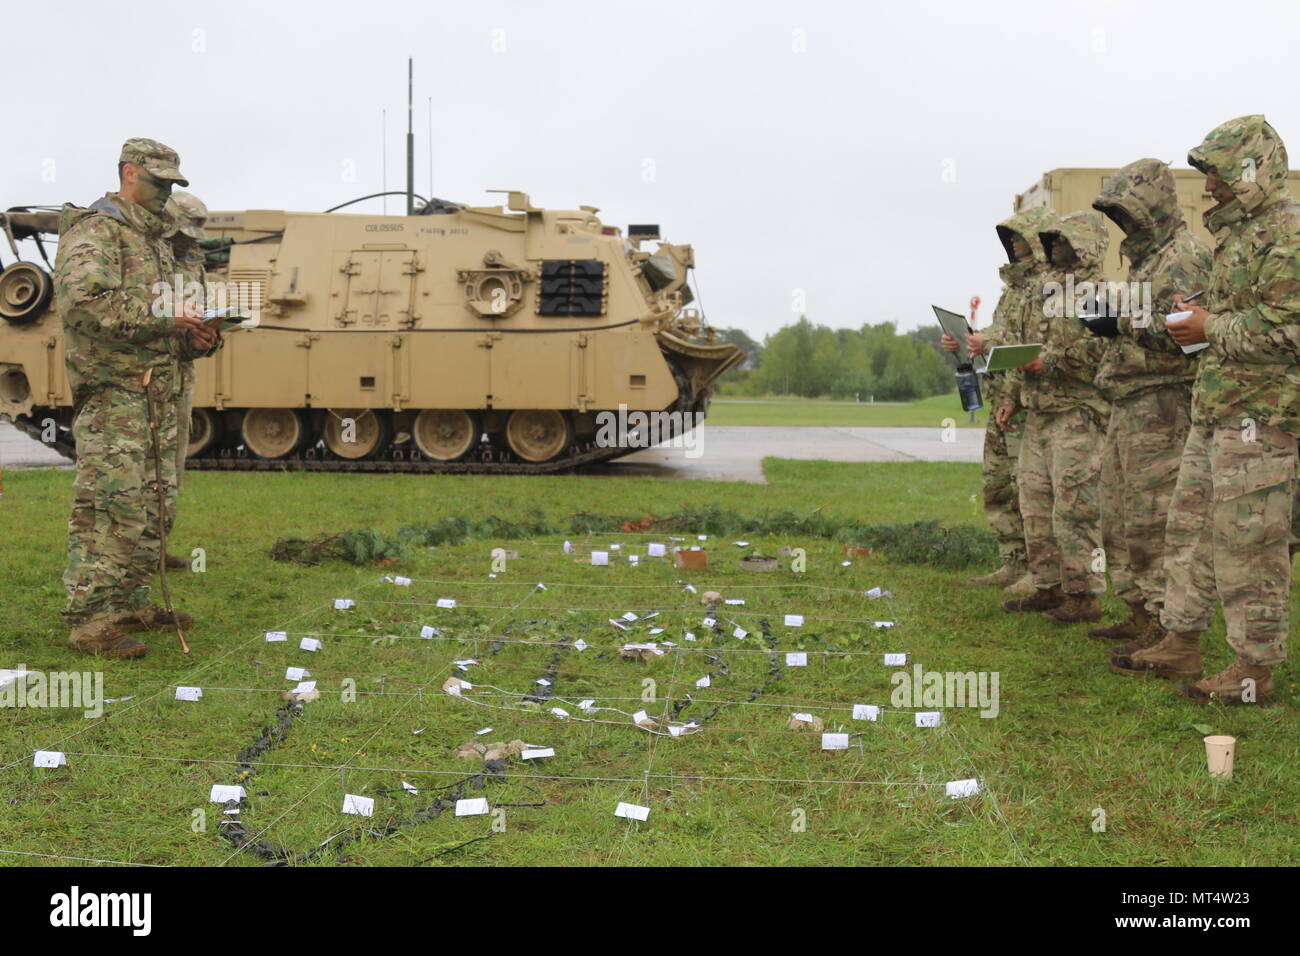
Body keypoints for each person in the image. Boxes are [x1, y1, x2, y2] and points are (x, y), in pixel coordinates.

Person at [1112, 115, 1299, 705]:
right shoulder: (1239, 236)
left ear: (1251, 169)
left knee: (1251, 546)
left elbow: (1287, 330)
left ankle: (1253, 671)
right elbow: (1237, 312)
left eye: (1217, 174)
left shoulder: (1287, 232)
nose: (1209, 187)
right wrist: (1196, 311)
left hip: (1261, 418)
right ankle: (1180, 639)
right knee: (1188, 529)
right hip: (1215, 408)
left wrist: (1208, 324)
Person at [54, 138, 216, 658]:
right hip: (115, 397)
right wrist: (167, 319)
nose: (166, 192)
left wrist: (196, 338)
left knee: (153, 505)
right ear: (128, 173)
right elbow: (84, 304)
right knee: (111, 507)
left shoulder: (157, 241)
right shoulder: (97, 231)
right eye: (159, 182)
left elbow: (171, 316)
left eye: (173, 184)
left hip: (158, 396)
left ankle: (129, 603)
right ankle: (88, 620)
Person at [1086, 160, 1211, 662]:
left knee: (1154, 520)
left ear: (1153, 205)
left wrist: (1121, 324)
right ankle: (1140, 610)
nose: (1123, 223)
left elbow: (1188, 333)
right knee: (1119, 517)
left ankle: (1166, 625)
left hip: (1163, 402)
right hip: (1131, 398)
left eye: (1128, 212)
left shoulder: (1184, 256)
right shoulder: (1148, 259)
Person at [1001, 211, 1111, 623]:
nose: (1055, 249)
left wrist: (1054, 362)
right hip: (1040, 413)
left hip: (1078, 414)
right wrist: (1013, 391)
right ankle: (1047, 586)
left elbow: (1103, 349)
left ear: (1085, 245)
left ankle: (1084, 596)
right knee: (1035, 503)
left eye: (1063, 242)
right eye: (1052, 242)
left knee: (1075, 508)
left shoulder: (1099, 291)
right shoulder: (1044, 291)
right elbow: (1023, 345)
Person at [942, 207, 1059, 596]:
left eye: (1018, 235)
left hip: (1027, 402)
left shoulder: (1049, 287)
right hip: (1003, 398)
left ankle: (1041, 571)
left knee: (1030, 490)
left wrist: (988, 343)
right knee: (998, 487)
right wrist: (969, 341)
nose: (1012, 242)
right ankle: (1012, 561)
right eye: (1007, 236)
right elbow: (1002, 337)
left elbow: (1031, 345)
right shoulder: (1014, 288)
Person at [163, 191, 212, 568]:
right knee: (137, 474)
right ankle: (128, 557)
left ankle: (155, 550)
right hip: (145, 375)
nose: (188, 237)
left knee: (170, 470)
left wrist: (208, 336)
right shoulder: (144, 251)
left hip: (181, 374)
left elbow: (202, 308)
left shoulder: (193, 257)